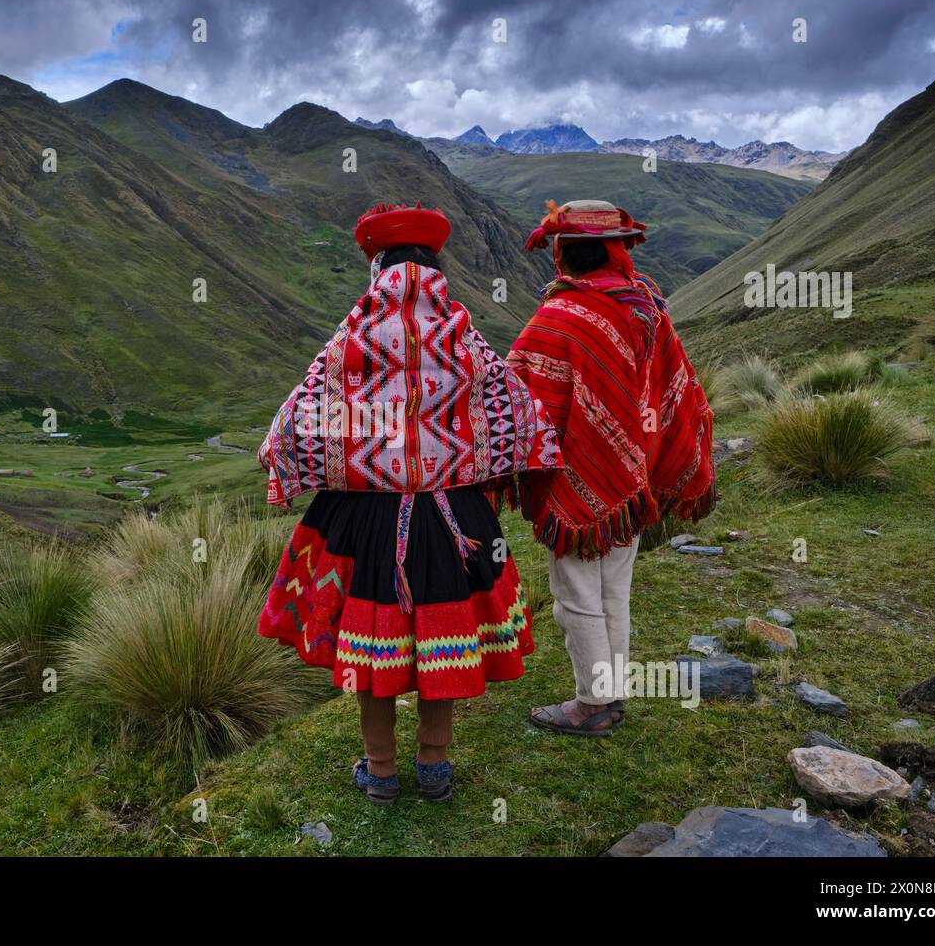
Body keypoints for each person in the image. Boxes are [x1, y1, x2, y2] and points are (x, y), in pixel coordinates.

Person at [257, 202, 562, 804]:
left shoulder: (356, 334)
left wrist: (302, 468)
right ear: (435, 262)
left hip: (366, 518)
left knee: (374, 647)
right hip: (455, 518)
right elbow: (520, 413)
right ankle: (435, 767)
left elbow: (296, 423)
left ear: (376, 264)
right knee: (443, 638)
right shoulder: (461, 333)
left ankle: (381, 770)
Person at [507, 200, 715, 736]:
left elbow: (517, 395)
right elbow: (677, 391)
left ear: (562, 252)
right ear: (615, 249)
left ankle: (593, 705)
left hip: (577, 483)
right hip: (633, 479)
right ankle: (610, 693)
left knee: (577, 596)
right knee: (612, 592)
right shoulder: (647, 307)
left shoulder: (560, 315)